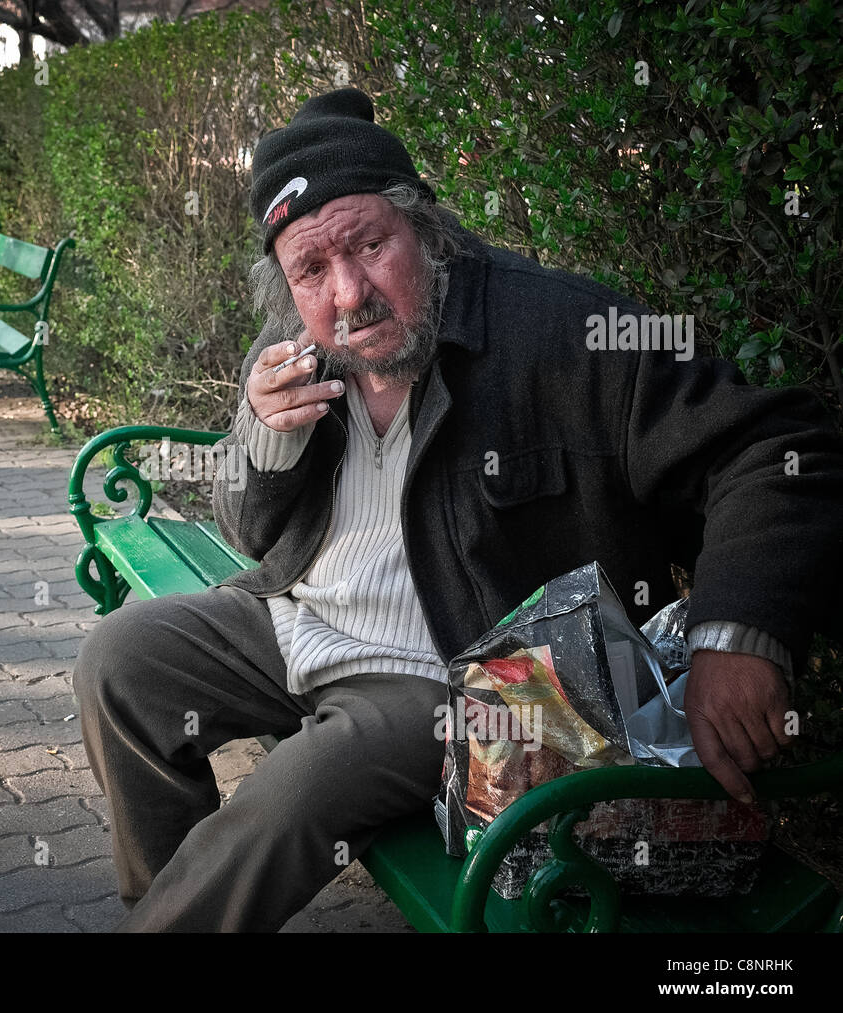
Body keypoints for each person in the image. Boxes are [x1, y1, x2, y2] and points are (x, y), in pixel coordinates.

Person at [70, 88, 843, 932]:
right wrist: (262, 438)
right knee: (119, 660)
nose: (349, 294)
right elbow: (247, 532)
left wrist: (737, 634)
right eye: (311, 270)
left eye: (370, 244)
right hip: (292, 620)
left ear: (425, 229)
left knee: (289, 793)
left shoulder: (561, 330)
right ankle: (164, 909)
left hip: (442, 675)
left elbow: (777, 448)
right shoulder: (290, 344)